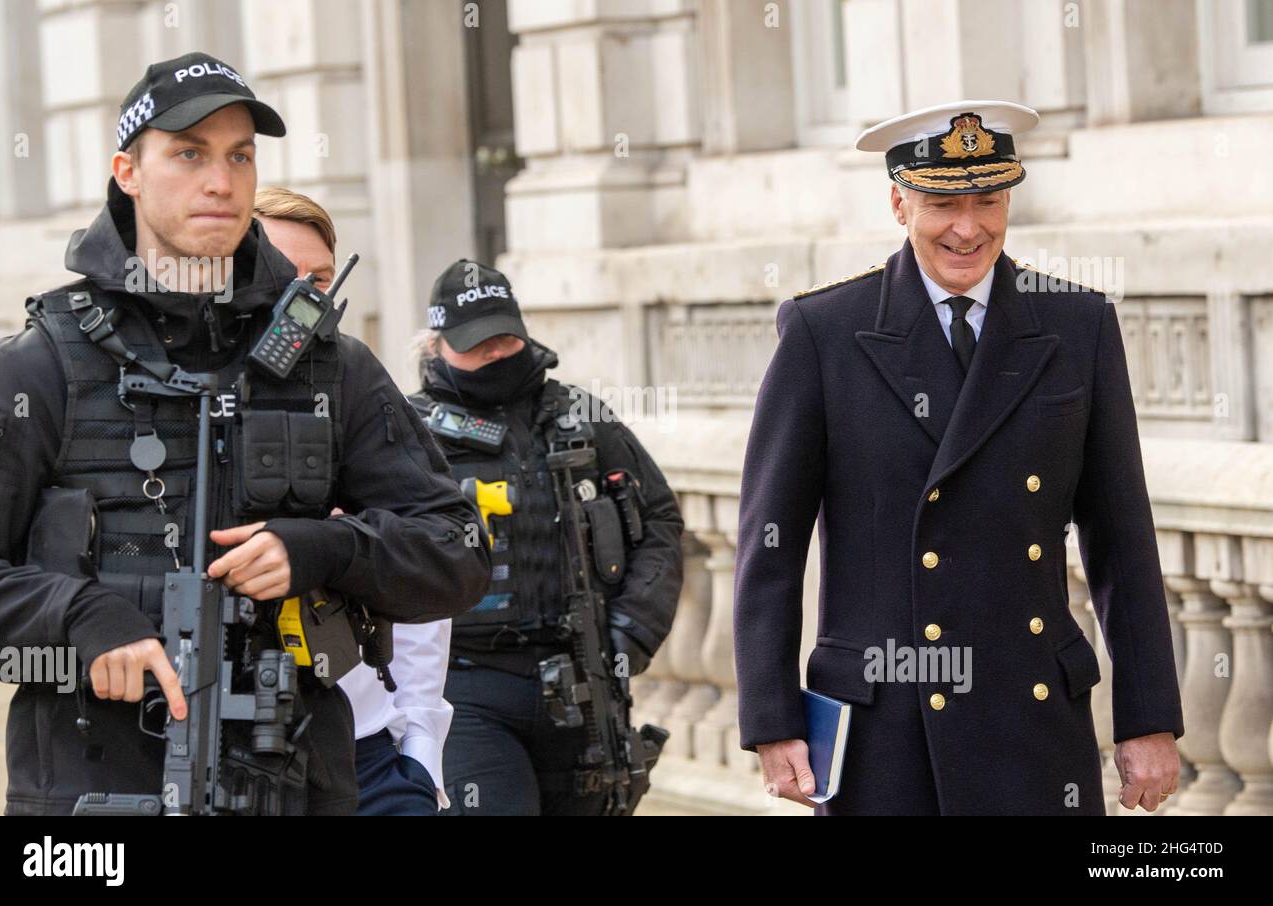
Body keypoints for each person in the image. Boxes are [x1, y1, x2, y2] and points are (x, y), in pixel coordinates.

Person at [0, 52, 489, 815]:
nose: (221, 181)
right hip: (88, 797)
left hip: (295, 780)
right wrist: (77, 616)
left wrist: (325, 549)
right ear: (128, 171)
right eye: (189, 154)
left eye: (240, 156)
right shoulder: (36, 367)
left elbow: (457, 552)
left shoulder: (329, 366)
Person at [734, 100, 1184, 815]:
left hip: (1034, 721)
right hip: (887, 724)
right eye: (943, 202)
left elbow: (1122, 539)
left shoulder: (1078, 324)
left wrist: (1148, 717)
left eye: (990, 199)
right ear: (898, 203)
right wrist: (773, 719)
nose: (969, 228)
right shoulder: (825, 332)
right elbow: (770, 544)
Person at [411, 259, 684, 815]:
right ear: (436, 346)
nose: (493, 354)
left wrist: (630, 633)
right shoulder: (407, 428)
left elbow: (660, 522)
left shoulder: (579, 416)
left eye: (505, 339)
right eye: (475, 343)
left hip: (583, 678)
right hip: (465, 689)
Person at [254, 186, 453, 815]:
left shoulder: (355, 391)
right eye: (284, 274)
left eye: (319, 276)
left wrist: (419, 746)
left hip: (367, 752)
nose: (303, 294)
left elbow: (429, 563)